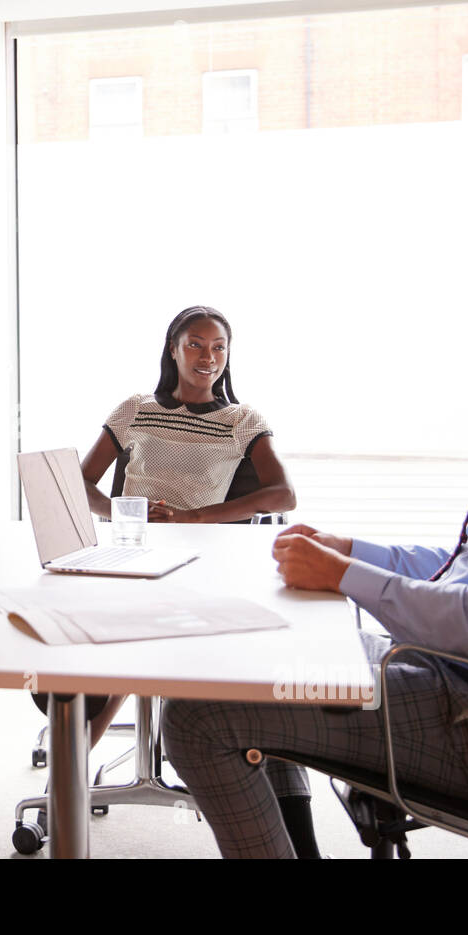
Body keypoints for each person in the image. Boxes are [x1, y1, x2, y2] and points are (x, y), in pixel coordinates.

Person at [160, 250, 468, 858]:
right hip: (451, 679)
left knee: (195, 716)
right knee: (261, 656)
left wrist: (346, 577)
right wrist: (349, 553)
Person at [31, 305, 296, 745]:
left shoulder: (242, 421)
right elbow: (79, 483)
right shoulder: (135, 409)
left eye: (218, 347)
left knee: (131, 636)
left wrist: (191, 516)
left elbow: (282, 493)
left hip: (198, 562)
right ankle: (70, 764)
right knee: (92, 627)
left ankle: (68, 773)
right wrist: (121, 510)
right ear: (173, 350)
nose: (207, 356)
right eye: (195, 344)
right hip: (130, 552)